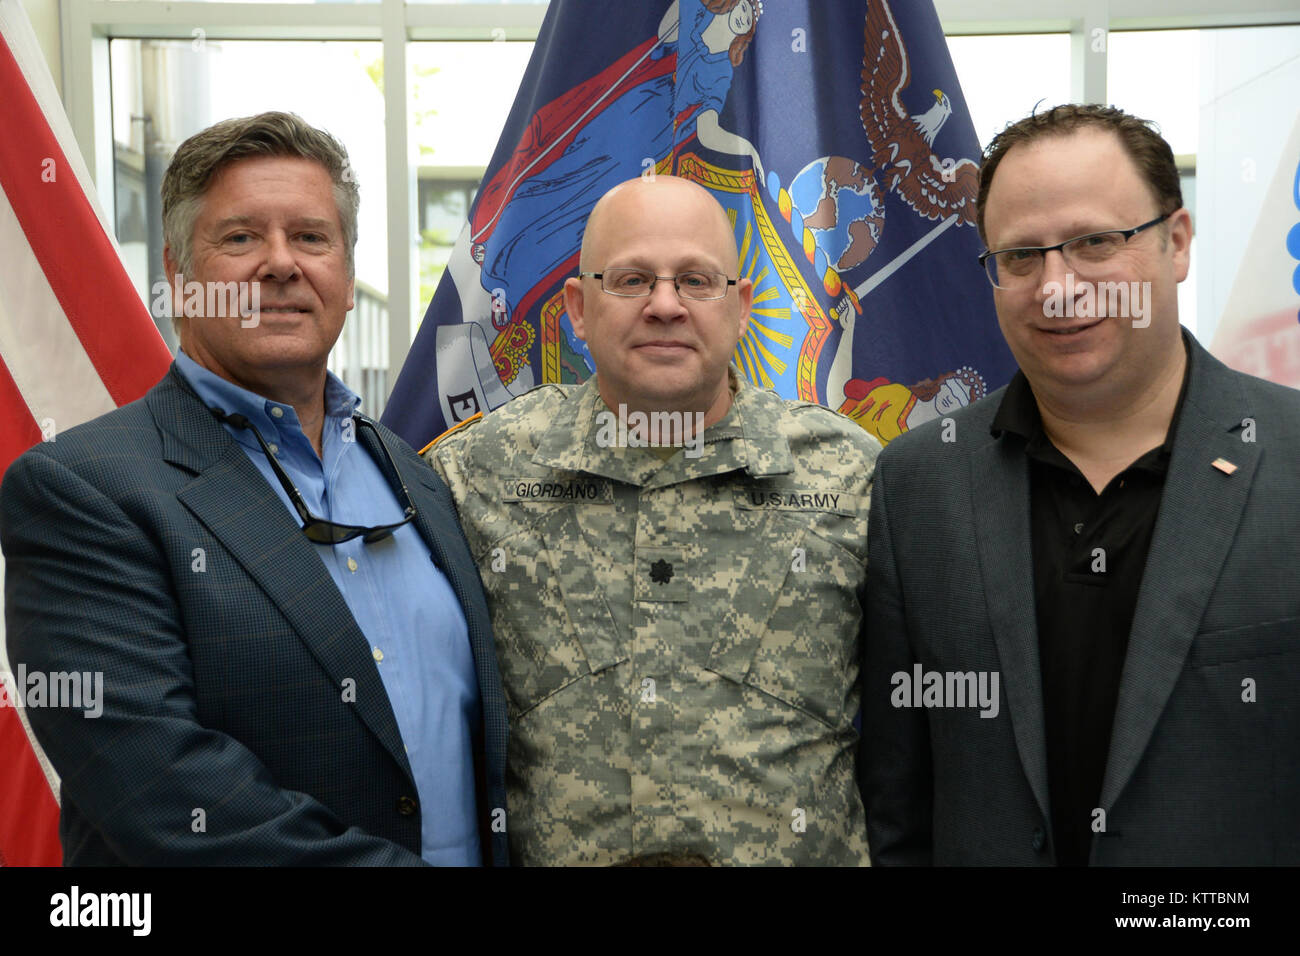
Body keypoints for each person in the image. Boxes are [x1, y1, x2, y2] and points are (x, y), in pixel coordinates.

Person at [1, 112, 507, 866]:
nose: (280, 264)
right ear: (178, 276)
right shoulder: (83, 491)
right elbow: (169, 796)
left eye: (311, 237)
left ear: (343, 268)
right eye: (240, 238)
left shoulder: (418, 478)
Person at [861, 104, 1300, 866]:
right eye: (1022, 257)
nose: (1057, 288)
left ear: (1178, 242)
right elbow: (896, 801)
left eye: (1095, 242)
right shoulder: (916, 486)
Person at [426, 175, 879, 866]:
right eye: (632, 280)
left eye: (696, 281)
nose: (665, 306)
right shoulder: (474, 477)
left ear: (741, 307)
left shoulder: (851, 477)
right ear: (578, 308)